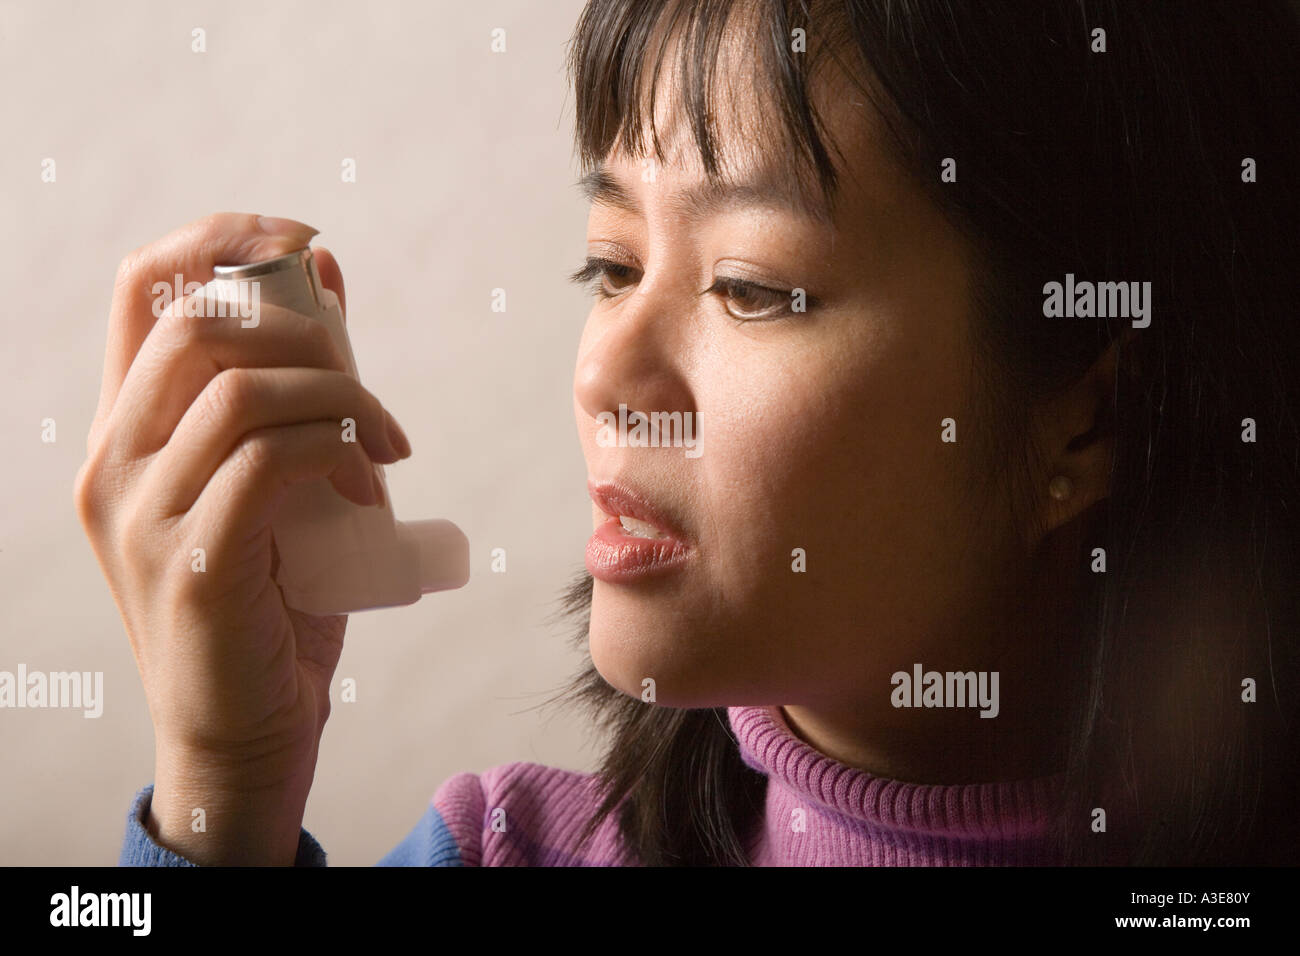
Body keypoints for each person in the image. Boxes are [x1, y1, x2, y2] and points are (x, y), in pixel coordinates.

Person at [77, 0, 1299, 866]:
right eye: (611, 264)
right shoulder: (496, 851)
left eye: (752, 287)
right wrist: (223, 787)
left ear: (1087, 418)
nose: (606, 369)